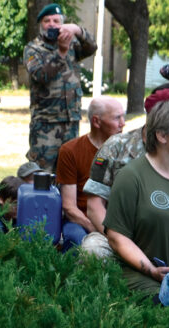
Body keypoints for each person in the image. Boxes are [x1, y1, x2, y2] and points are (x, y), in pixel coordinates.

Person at [103, 100, 169, 300]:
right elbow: (117, 236)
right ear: (161, 135)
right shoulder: (131, 176)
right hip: (145, 277)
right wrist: (151, 270)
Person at [81, 88, 169, 259]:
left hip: (168, 236)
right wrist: (119, 240)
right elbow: (95, 206)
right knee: (93, 251)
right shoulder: (116, 146)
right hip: (117, 232)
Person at [23, 3, 97, 171]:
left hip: (71, 121)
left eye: (56, 20)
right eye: (46, 21)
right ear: (40, 25)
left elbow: (92, 47)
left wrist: (78, 30)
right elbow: (41, 75)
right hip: (45, 123)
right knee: (43, 173)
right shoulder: (32, 49)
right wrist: (61, 53)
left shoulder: (71, 45)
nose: (51, 24)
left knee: (68, 171)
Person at [55, 96, 125, 250]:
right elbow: (69, 207)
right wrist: (95, 229)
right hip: (82, 221)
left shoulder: (128, 152)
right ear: (96, 121)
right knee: (75, 240)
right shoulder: (70, 151)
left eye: (123, 116)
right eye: (116, 118)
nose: (123, 123)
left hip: (120, 223)